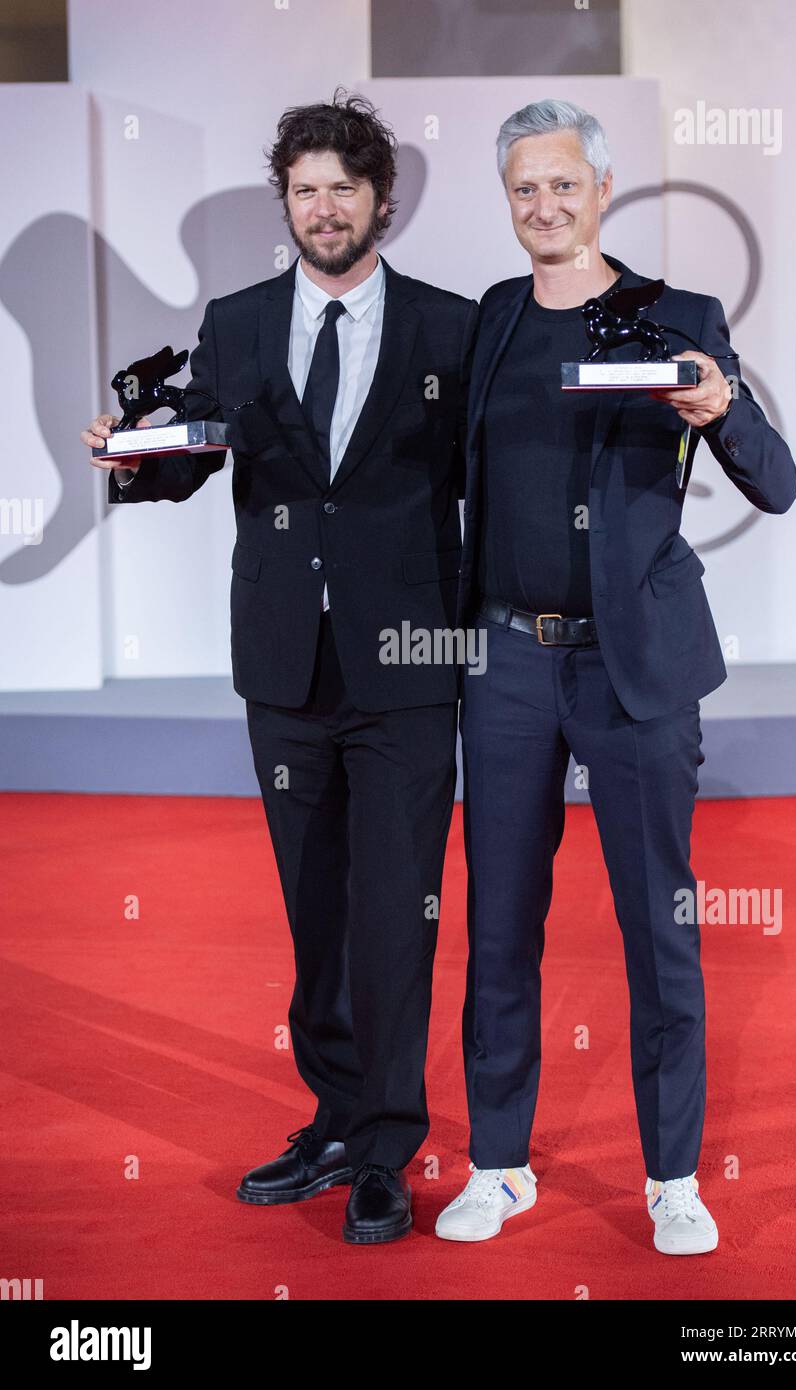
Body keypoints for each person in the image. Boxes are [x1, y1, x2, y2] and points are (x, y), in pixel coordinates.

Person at [82, 89, 477, 1246]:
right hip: (283, 666)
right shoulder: (241, 319)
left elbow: (487, 488)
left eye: (341, 189)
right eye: (303, 191)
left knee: (396, 916)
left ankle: (388, 1151)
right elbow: (196, 448)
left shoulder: (449, 328)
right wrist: (130, 457)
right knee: (316, 911)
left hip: (409, 663)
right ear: (286, 203)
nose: (322, 209)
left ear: (380, 202)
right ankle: (336, 1112)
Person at [434, 99, 796, 1253]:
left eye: (560, 185)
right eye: (521, 190)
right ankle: (497, 1163)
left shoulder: (677, 316)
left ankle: (672, 1175)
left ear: (601, 190)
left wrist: (720, 406)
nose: (542, 206)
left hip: (635, 665)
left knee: (659, 926)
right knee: (497, 921)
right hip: (502, 662)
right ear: (508, 203)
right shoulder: (491, 320)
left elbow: (778, 483)